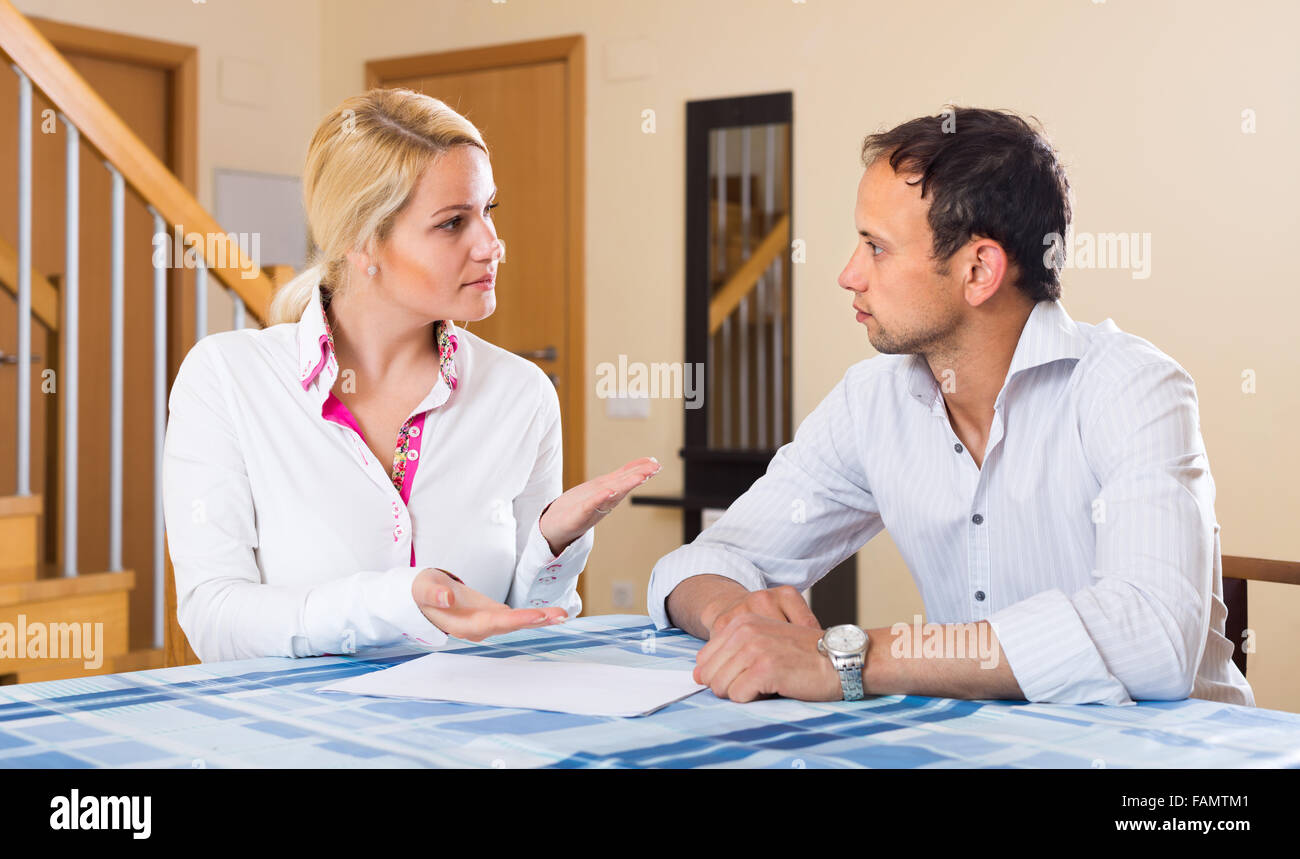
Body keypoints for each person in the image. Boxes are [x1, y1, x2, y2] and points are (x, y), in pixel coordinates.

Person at [648, 106, 1253, 708]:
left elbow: (1152, 638)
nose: (849, 275)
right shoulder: (872, 402)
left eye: (876, 248)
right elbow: (708, 561)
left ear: (979, 270)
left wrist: (849, 658)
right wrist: (735, 616)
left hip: (1172, 752)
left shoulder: (1131, 387)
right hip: (982, 742)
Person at [164, 88, 659, 662]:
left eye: (488, 210)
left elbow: (524, 630)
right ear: (360, 242)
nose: (491, 245)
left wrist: (554, 544)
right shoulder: (226, 379)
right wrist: (397, 602)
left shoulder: (523, 394)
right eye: (452, 223)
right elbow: (214, 621)